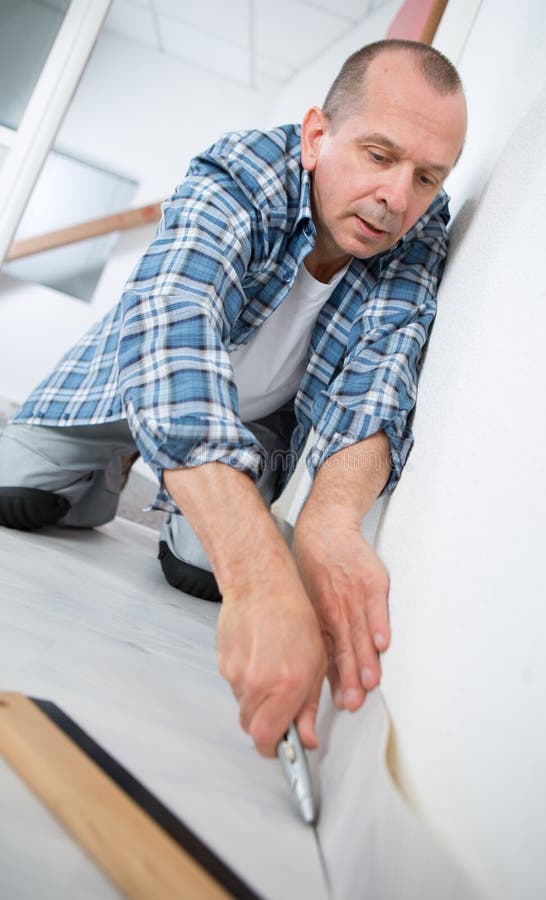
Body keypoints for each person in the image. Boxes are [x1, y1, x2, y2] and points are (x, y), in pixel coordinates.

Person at [0, 40, 467, 757]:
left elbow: (383, 376)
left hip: (251, 430)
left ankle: (163, 486)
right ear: (317, 136)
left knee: (197, 571)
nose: (398, 198)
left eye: (427, 177)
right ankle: (111, 458)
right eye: (379, 155)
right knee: (15, 490)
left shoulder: (417, 229)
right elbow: (173, 326)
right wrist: (260, 579)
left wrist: (330, 525)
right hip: (129, 383)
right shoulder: (244, 169)